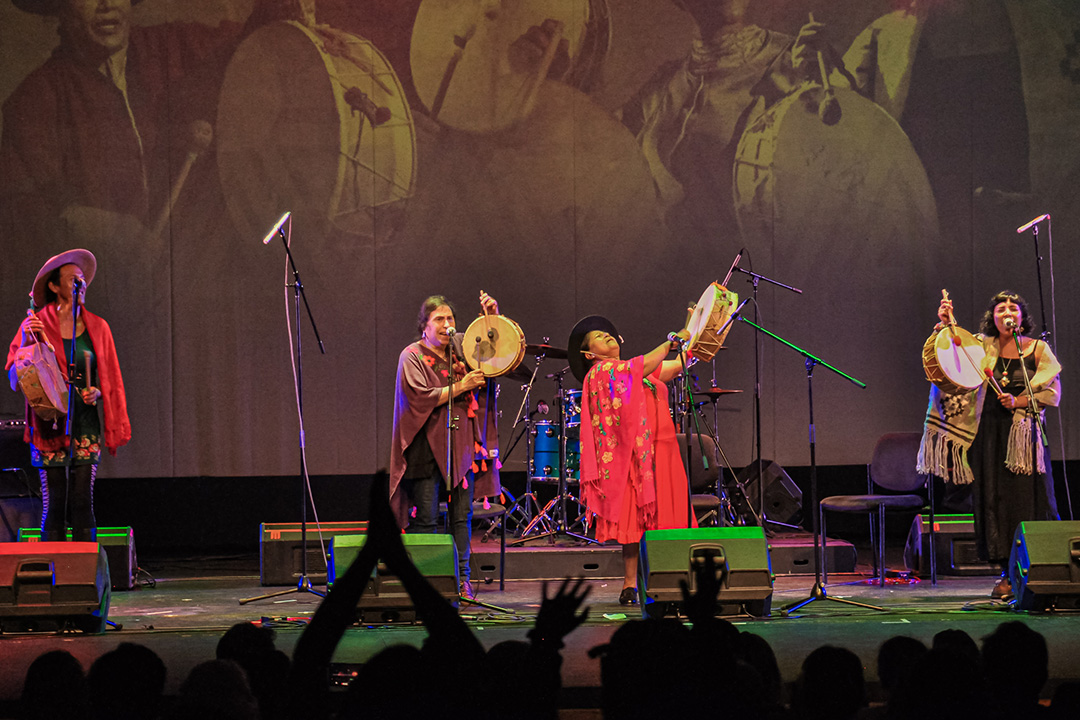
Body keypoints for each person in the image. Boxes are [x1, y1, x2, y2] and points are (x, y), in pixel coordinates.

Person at [918, 290, 1061, 599]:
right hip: (989, 437)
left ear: (1022, 316)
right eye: (1001, 309)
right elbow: (953, 355)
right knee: (993, 502)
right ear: (992, 317)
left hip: (1025, 440)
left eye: (1013, 308)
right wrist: (945, 325)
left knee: (1030, 502)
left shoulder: (1037, 350)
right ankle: (1006, 574)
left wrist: (1020, 400)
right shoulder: (981, 347)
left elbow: (1052, 393)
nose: (1007, 312)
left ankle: (1040, 569)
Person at [569, 316, 696, 605]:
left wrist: (697, 333)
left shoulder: (638, 372)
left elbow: (676, 366)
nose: (609, 337)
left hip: (662, 448)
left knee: (668, 514)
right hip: (634, 457)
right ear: (590, 354)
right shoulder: (601, 372)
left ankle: (671, 577)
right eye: (600, 337)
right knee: (636, 519)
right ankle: (630, 583)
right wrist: (672, 341)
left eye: (609, 333)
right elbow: (643, 365)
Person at [5, 249, 130, 542]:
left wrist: (96, 392)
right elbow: (14, 379)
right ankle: (54, 576)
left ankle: (84, 577)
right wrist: (25, 340)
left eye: (83, 280)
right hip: (48, 426)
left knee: (82, 501)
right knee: (55, 504)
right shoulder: (35, 325)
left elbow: (109, 380)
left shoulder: (98, 327)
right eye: (73, 279)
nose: (80, 284)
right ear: (54, 286)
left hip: (85, 424)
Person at [389, 291, 502, 600]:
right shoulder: (411, 354)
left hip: (460, 447)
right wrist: (460, 387)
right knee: (425, 517)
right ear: (424, 325)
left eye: (450, 318)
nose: (446, 324)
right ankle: (426, 580)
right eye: (438, 319)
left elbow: (492, 355)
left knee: (460, 517)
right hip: (425, 447)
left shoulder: (460, 349)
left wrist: (491, 316)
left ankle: (461, 580)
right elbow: (419, 396)